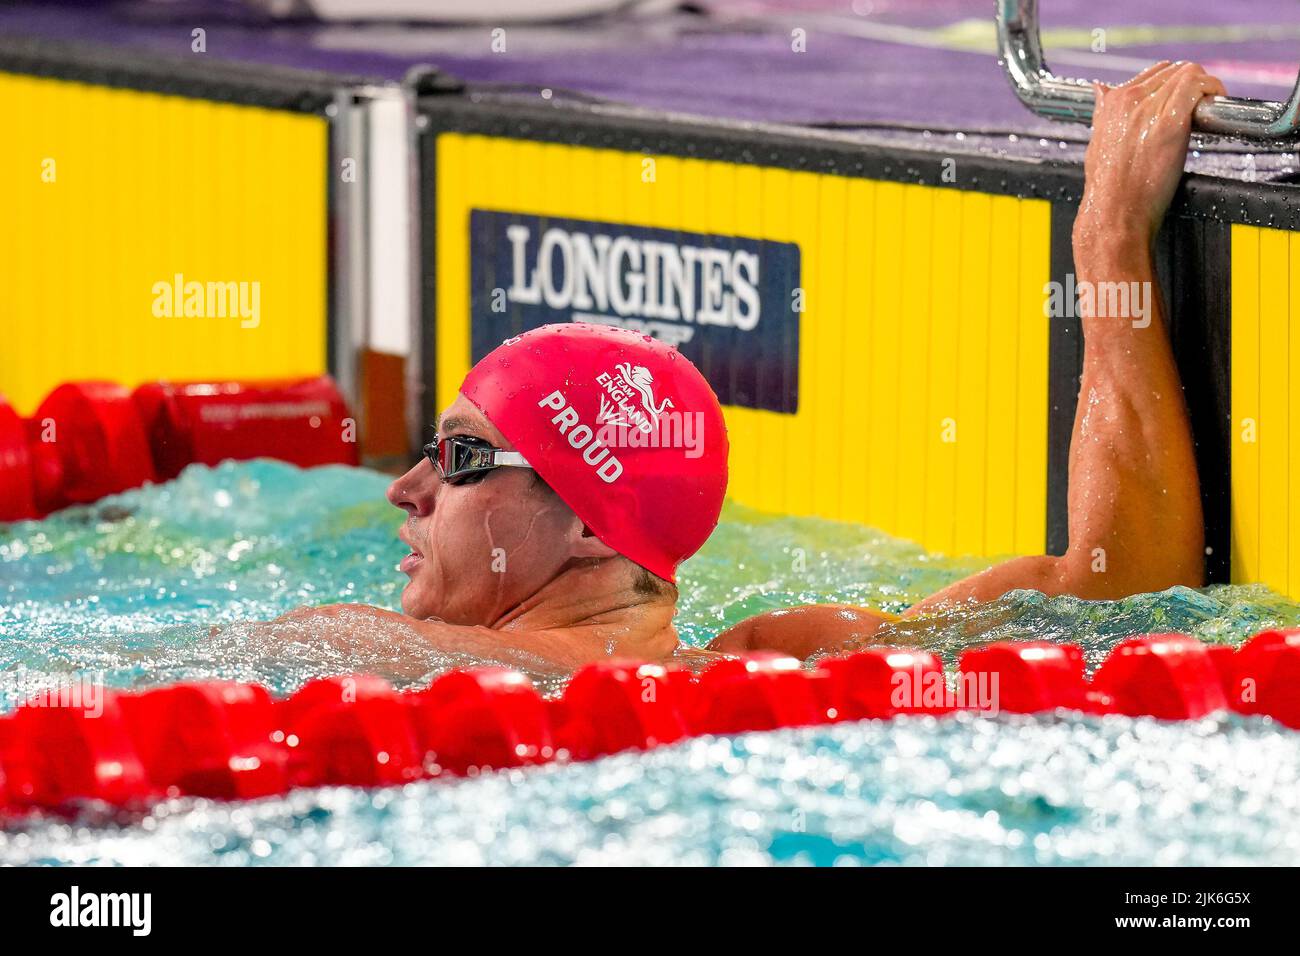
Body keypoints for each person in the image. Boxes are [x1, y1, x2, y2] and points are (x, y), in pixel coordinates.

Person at [708, 61, 1225, 659]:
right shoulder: (773, 651)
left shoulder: (741, 664)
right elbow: (1129, 595)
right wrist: (1108, 235)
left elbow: (1126, 592)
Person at [271, 321, 731, 672]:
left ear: (591, 524)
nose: (403, 490)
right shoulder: (753, 665)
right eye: (433, 451)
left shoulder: (366, 651)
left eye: (463, 456)